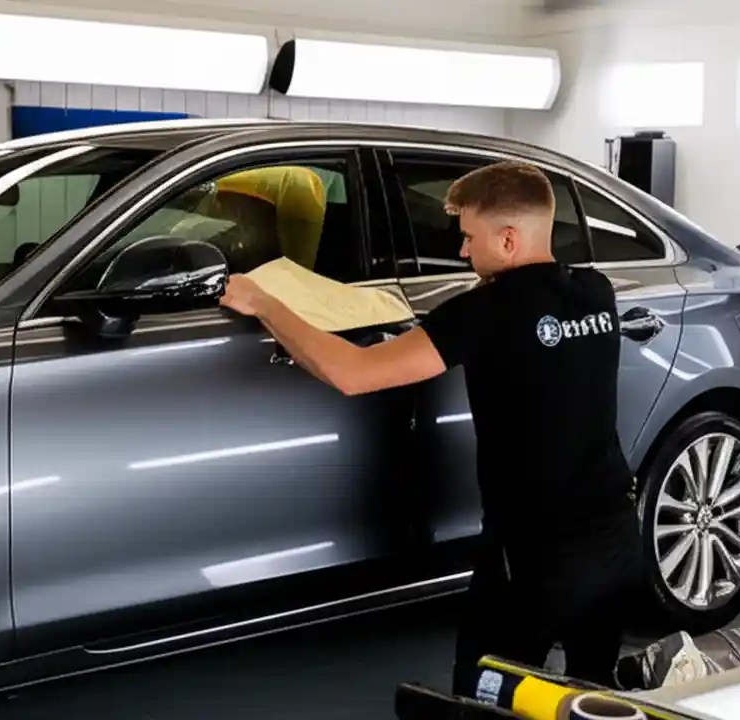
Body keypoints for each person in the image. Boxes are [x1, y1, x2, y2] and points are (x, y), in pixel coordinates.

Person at [218, 159, 644, 694]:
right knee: (593, 695)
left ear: (508, 239)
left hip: (535, 556)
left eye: (469, 237)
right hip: (615, 538)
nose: (463, 252)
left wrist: (266, 304)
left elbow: (353, 374)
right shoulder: (596, 291)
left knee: (482, 696)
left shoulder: (483, 311)